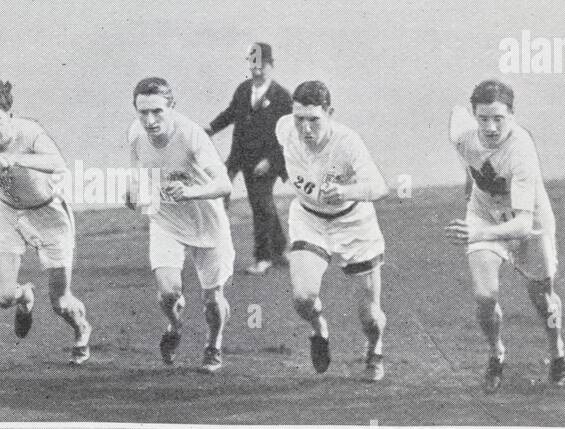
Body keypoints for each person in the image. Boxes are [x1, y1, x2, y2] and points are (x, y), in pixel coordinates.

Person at [445, 80, 565, 393]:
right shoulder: (462, 133)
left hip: (530, 224)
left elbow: (523, 225)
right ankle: (496, 352)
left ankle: (556, 351)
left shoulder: (522, 151)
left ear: (512, 115)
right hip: (484, 215)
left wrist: (478, 232)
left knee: (543, 301)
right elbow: (471, 164)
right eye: (483, 118)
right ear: (474, 115)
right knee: (485, 296)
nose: (490, 127)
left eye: (498, 118)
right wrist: (472, 201)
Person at [0, 79, 92, 365]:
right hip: (6, 213)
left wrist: (13, 159)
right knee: (3, 297)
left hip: (47, 216)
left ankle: (81, 328)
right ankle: (25, 298)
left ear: (10, 115)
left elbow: (58, 163)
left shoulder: (30, 132)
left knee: (60, 302)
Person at [277, 81, 390, 380]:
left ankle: (374, 348)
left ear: (330, 113)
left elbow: (379, 187)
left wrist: (345, 191)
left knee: (370, 317)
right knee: (303, 297)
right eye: (299, 119)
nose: (306, 128)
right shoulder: (285, 129)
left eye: (314, 119)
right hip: (309, 219)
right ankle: (319, 330)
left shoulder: (348, 142)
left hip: (353, 221)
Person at [126, 77, 235, 373]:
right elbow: (138, 172)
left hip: (206, 223)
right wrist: (133, 192)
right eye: (143, 112)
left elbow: (224, 184)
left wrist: (190, 192)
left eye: (157, 112)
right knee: (168, 293)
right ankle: (174, 326)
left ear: (171, 107)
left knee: (212, 298)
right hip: (166, 220)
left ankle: (213, 343)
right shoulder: (136, 134)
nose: (150, 120)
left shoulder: (191, 135)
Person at [205, 42, 291, 274]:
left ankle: (263, 257)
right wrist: (210, 129)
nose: (257, 71)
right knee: (221, 191)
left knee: (260, 204)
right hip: (239, 154)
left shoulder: (282, 97)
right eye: (253, 66)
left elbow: (288, 136)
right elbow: (230, 113)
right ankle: (280, 249)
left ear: (271, 66)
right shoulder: (243, 90)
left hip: (266, 161)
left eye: (262, 66)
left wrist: (271, 161)